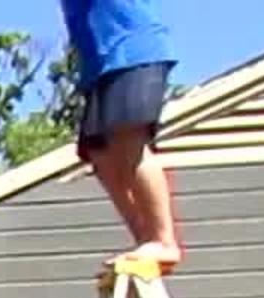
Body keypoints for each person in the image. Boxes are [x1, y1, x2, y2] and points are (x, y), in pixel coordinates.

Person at [60, 0, 181, 268]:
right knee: (100, 152)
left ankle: (164, 240)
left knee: (128, 139)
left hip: (134, 52)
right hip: (101, 66)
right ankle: (145, 239)